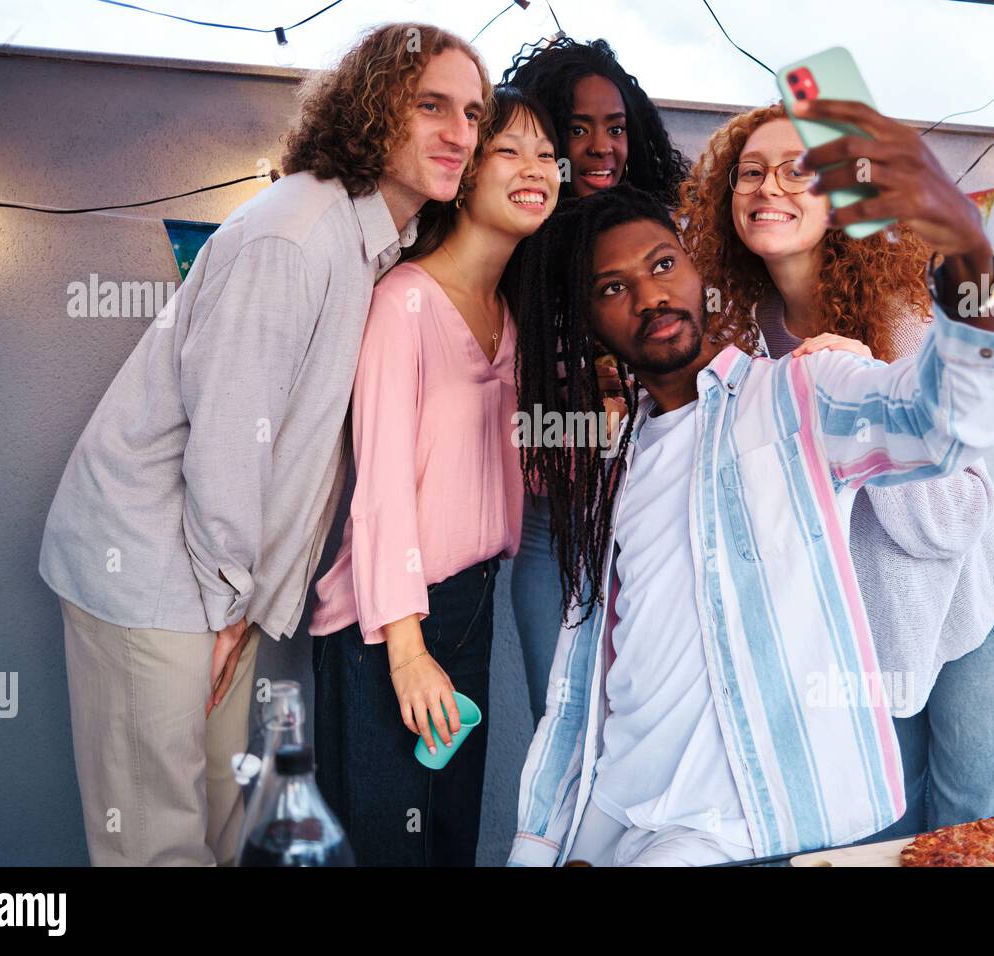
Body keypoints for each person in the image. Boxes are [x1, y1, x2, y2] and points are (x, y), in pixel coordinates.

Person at [508, 97, 994, 866]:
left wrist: (964, 243)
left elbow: (952, 422)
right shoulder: (620, 461)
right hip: (612, 801)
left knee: (976, 838)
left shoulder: (806, 384)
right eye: (613, 288)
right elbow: (579, 688)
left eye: (660, 266)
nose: (649, 295)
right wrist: (539, 844)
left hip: (971, 602)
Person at [37, 22, 490, 866]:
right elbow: (227, 446)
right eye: (432, 105)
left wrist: (233, 607)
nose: (461, 133)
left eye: (471, 111)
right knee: (154, 844)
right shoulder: (296, 237)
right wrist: (226, 606)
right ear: (372, 106)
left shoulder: (373, 241)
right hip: (152, 573)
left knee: (213, 818)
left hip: (212, 583)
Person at [678, 102, 994, 835]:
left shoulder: (908, 308)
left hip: (975, 604)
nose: (767, 187)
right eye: (749, 172)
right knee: (883, 840)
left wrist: (866, 384)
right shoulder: (741, 337)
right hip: (868, 636)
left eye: (797, 170)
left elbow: (950, 519)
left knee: (982, 838)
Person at [308, 87, 561, 867]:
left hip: (471, 605)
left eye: (548, 156)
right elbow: (379, 491)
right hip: (386, 624)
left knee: (448, 847)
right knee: (392, 854)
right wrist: (408, 650)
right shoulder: (403, 303)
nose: (537, 169)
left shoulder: (510, 314)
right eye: (510, 150)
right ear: (467, 171)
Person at [501, 37, 689, 729]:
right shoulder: (517, 245)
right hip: (555, 536)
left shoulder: (656, 238)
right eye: (578, 129)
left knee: (647, 740)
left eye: (614, 127)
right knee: (563, 734)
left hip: (651, 535)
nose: (601, 146)